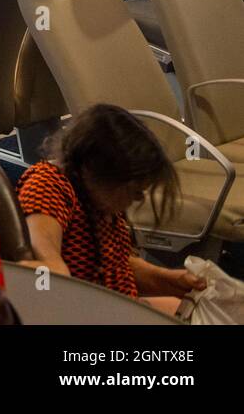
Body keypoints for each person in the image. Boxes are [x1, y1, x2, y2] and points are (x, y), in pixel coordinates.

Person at [17, 103, 206, 315]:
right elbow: (42, 243)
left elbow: (117, 267)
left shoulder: (100, 201)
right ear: (99, 173)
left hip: (115, 306)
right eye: (134, 190)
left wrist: (169, 279)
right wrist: (50, 264)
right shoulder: (49, 184)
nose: (139, 198)